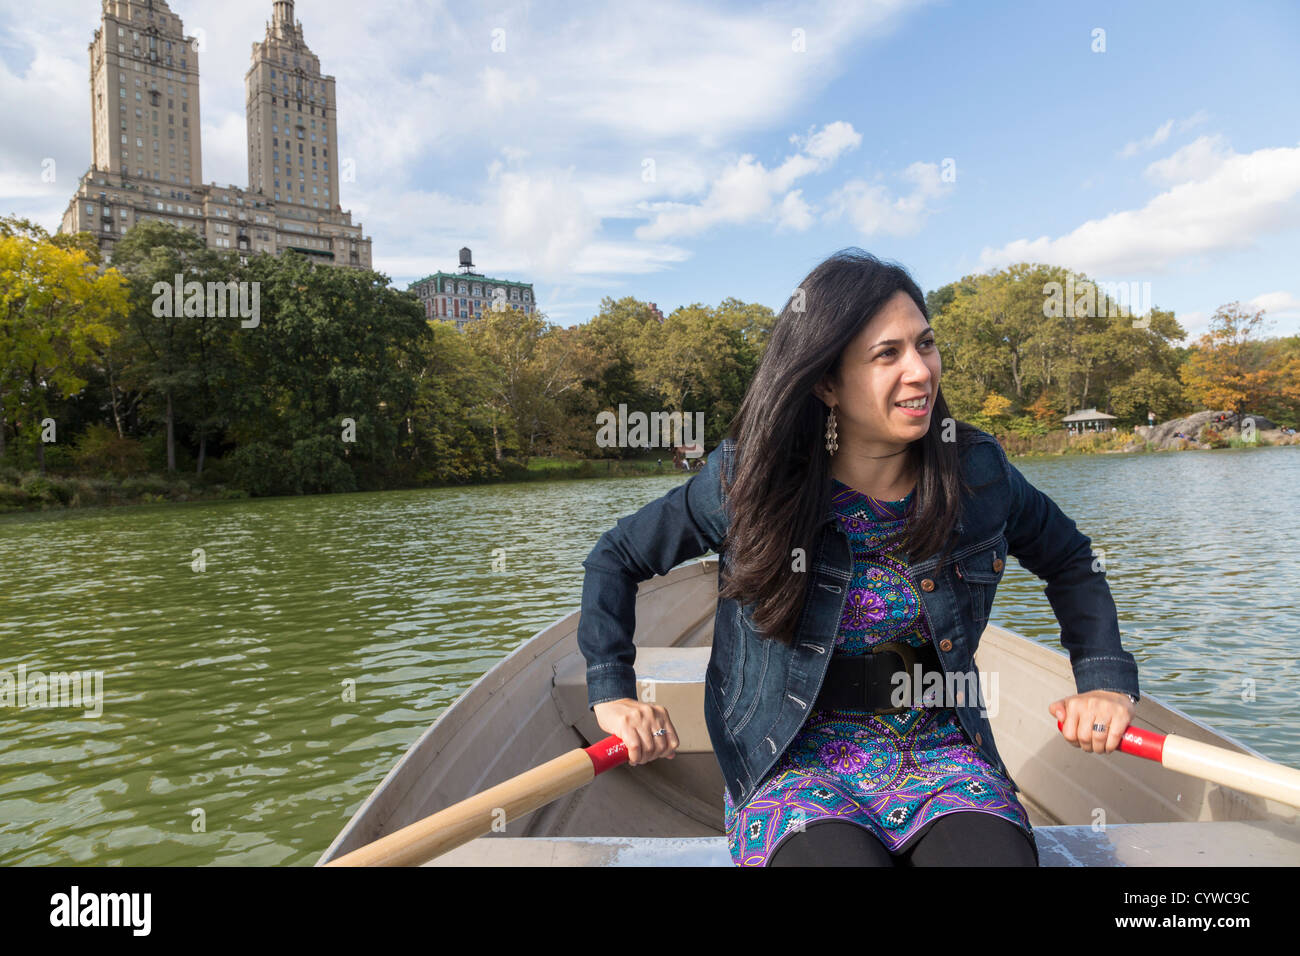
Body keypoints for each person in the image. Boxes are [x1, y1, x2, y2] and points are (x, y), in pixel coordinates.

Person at [576, 249, 1140, 867]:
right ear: (826, 383)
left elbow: (1071, 560)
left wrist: (1103, 681)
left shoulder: (976, 472)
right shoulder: (752, 480)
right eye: (887, 354)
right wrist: (613, 693)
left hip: (941, 755)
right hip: (790, 760)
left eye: (925, 345)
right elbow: (616, 557)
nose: (920, 371)